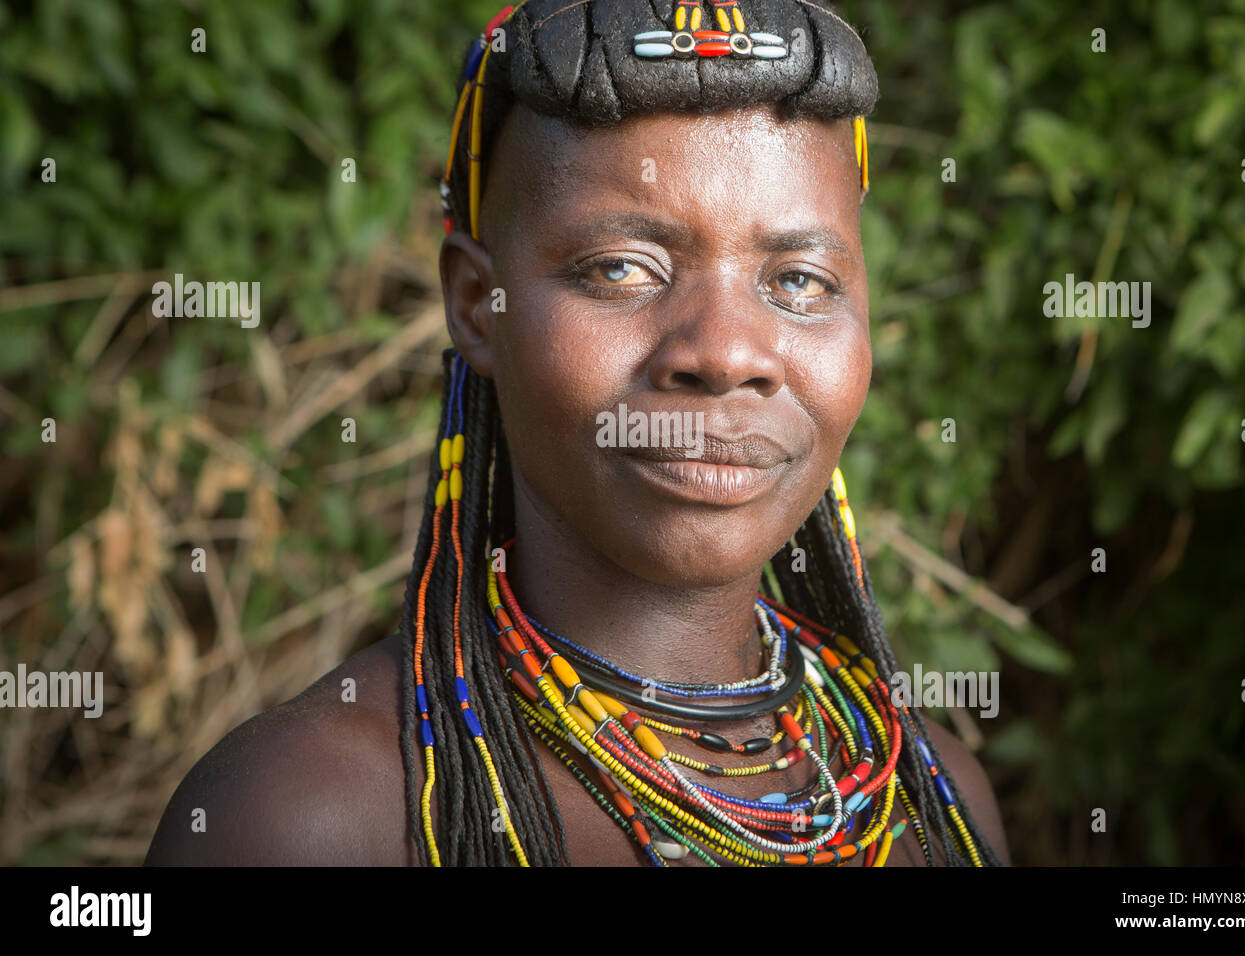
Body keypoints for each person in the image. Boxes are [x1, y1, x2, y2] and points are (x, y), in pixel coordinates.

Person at [146, 0, 1011, 867]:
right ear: (477, 306)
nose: (725, 353)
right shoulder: (317, 815)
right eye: (623, 269)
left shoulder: (933, 797)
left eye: (800, 280)